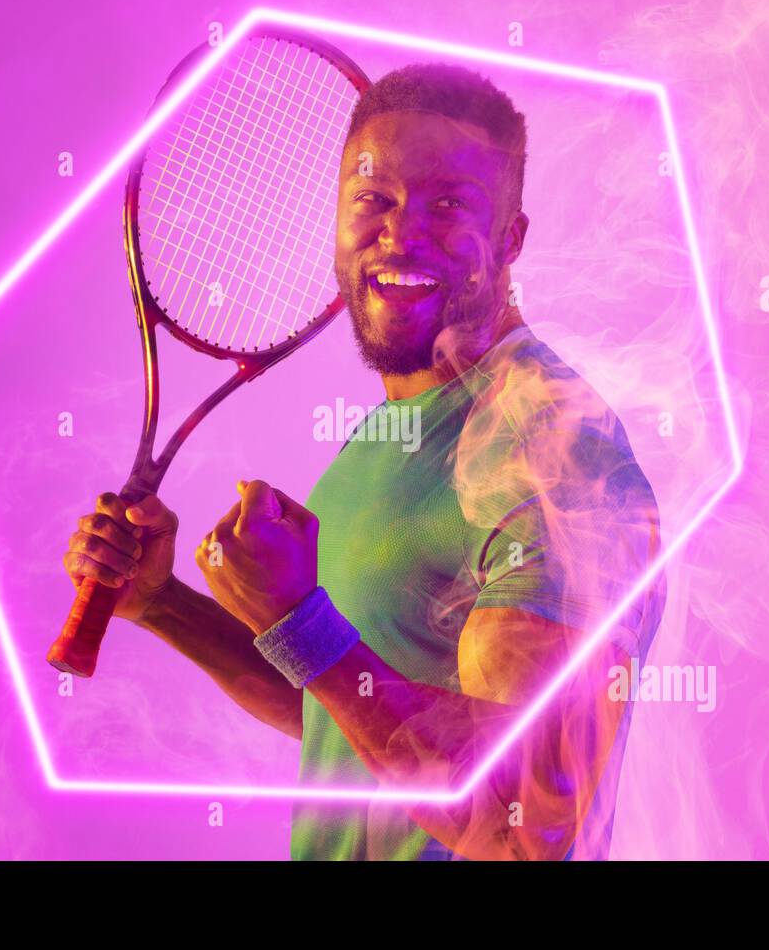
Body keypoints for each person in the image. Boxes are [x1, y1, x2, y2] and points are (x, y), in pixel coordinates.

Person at [62, 63, 666, 861]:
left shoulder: (554, 453)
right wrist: (163, 603)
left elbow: (524, 825)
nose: (401, 231)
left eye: (448, 204)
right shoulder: (392, 431)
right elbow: (346, 714)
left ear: (512, 238)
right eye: (373, 200)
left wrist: (297, 621)